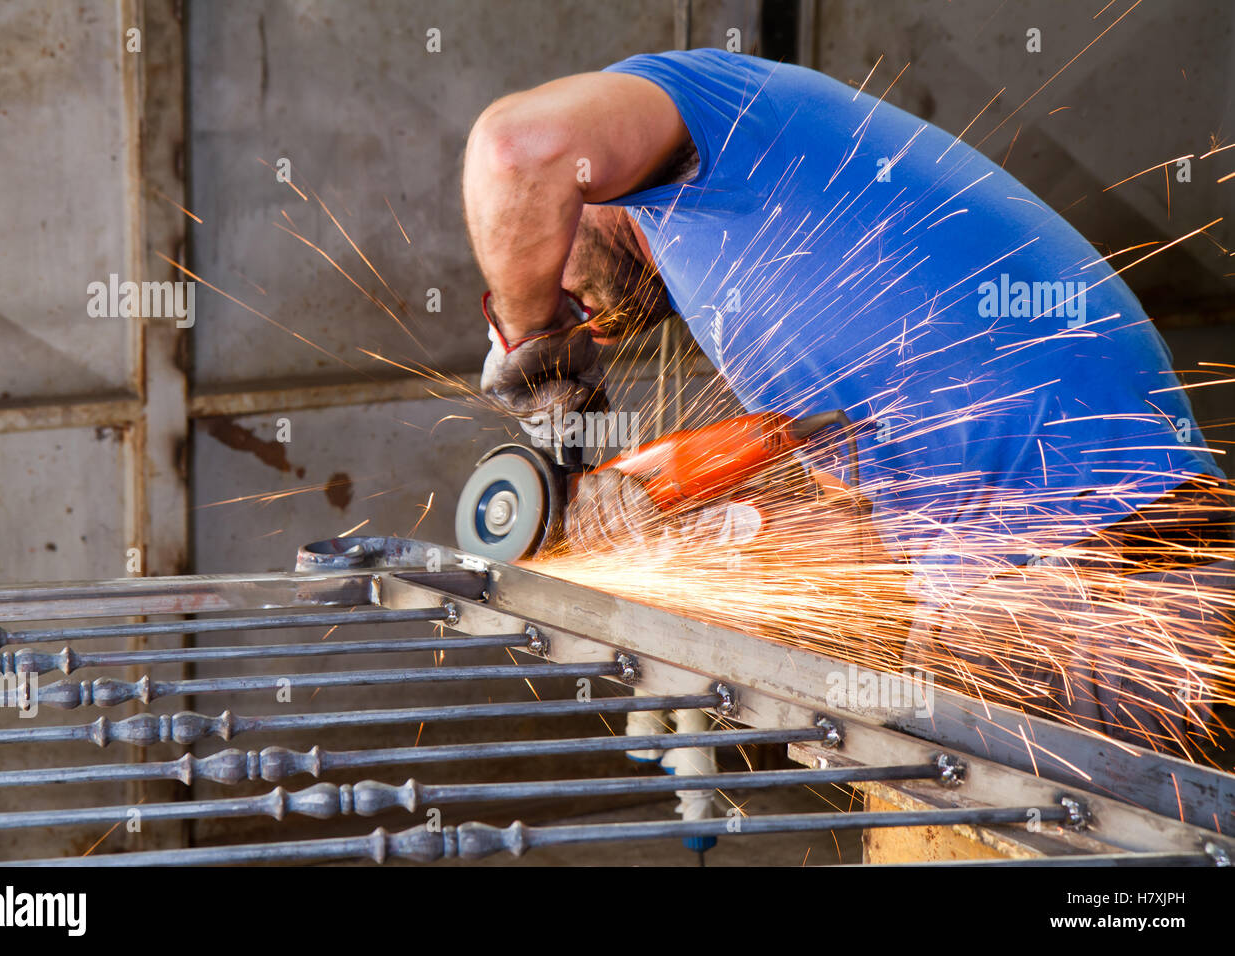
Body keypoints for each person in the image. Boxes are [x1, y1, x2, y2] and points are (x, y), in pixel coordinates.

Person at [462, 49, 1232, 749]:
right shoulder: (763, 269)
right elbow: (863, 546)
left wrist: (529, 338)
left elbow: (517, 149)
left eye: (549, 274)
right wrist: (666, 533)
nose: (582, 321)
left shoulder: (709, 115)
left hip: (1116, 586)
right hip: (1014, 609)